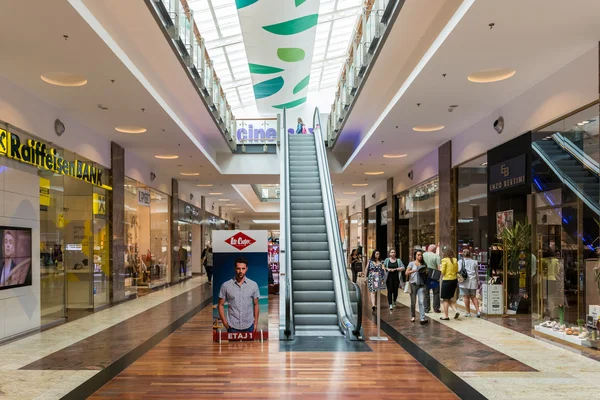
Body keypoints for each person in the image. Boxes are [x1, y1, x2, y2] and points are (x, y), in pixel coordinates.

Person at [217, 256, 260, 333]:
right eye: (238, 268)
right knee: (233, 345)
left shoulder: (253, 285)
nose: (241, 271)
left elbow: (256, 304)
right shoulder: (226, 286)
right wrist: (225, 323)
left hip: (249, 326)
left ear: (246, 269)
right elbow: (220, 305)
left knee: (250, 345)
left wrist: (256, 323)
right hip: (232, 326)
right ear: (234, 268)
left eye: (243, 268)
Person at [406, 250, 429, 325]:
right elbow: (406, 272)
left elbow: (427, 273)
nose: (420, 256)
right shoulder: (411, 263)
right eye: (418, 255)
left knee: (421, 301)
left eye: (421, 255)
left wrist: (425, 271)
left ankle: (422, 318)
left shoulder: (424, 264)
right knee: (413, 302)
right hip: (413, 285)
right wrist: (414, 270)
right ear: (415, 255)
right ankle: (413, 316)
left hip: (421, 285)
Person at [459, 249, 480, 317]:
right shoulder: (475, 262)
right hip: (473, 281)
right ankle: (478, 311)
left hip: (464, 282)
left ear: (463, 254)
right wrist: (478, 280)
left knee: (466, 297)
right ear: (470, 254)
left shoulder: (460, 261)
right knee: (473, 297)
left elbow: (459, 271)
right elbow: (477, 273)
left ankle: (468, 312)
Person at [440, 247, 460, 320]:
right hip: (454, 281)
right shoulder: (455, 260)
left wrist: (440, 268)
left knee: (445, 299)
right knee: (449, 298)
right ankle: (456, 311)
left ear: (445, 253)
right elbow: (457, 270)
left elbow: (443, 271)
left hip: (447, 281)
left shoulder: (444, 260)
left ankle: (446, 316)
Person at [423, 244, 441, 313]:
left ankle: (426, 309)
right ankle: (436, 308)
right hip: (434, 276)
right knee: (436, 293)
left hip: (425, 275)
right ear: (433, 249)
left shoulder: (423, 255)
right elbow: (439, 268)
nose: (436, 250)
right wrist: (439, 277)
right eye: (435, 249)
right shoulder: (436, 256)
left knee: (426, 293)